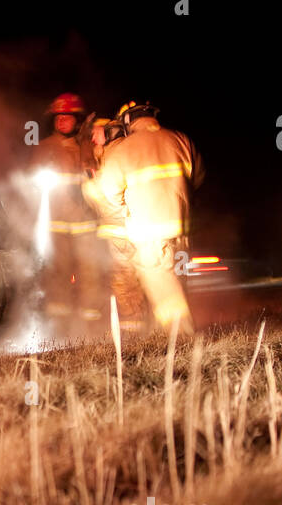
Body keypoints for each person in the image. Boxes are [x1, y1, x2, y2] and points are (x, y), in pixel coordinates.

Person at [85, 101, 203, 335]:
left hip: (150, 233)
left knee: (163, 288)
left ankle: (183, 339)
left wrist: (89, 186)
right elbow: (197, 177)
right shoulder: (180, 139)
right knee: (177, 283)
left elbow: (106, 193)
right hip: (182, 230)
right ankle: (165, 335)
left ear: (127, 121)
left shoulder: (125, 149)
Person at [28, 93, 107, 332]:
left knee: (91, 275)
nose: (62, 122)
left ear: (77, 120)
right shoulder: (43, 148)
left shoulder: (87, 146)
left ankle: (91, 325)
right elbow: (32, 180)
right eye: (58, 118)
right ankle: (60, 326)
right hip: (56, 225)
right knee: (57, 276)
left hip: (85, 223)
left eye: (67, 118)